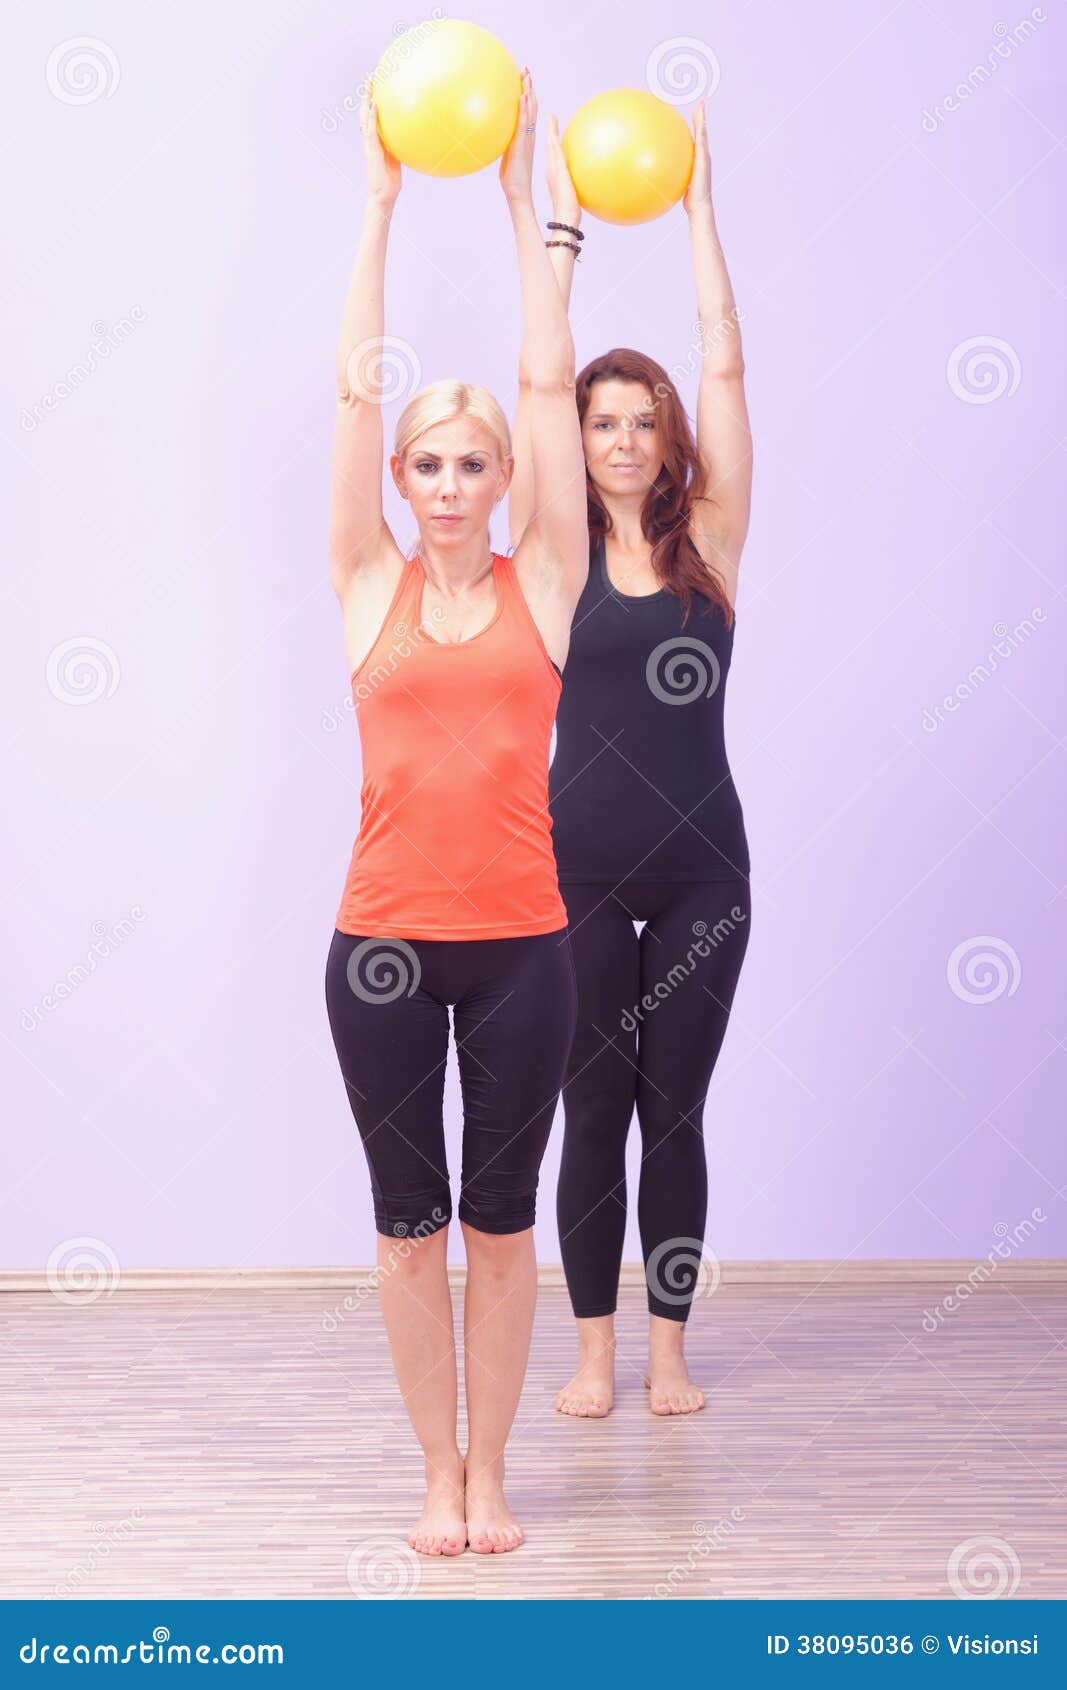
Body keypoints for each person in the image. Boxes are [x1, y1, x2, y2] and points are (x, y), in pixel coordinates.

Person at [324, 71, 587, 1553]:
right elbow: (356, 385)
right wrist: (377, 201)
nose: (442, 482)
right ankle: (438, 1469)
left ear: (501, 482)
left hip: (522, 950)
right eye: (426, 461)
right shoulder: (367, 585)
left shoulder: (545, 585)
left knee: (503, 1227)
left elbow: (544, 382)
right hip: (380, 945)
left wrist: (517, 202)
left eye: (468, 462)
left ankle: (494, 1477)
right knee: (408, 1230)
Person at [509, 100, 753, 1418]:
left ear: (664, 438)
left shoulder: (713, 534)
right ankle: (594, 1351)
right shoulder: (549, 558)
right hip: (579, 870)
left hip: (707, 868)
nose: (615, 437)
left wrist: (701, 217)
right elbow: (537, 376)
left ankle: (668, 1351)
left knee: (680, 1110)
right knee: (590, 1104)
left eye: (637, 421)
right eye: (600, 420)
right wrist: (562, 231)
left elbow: (726, 370)